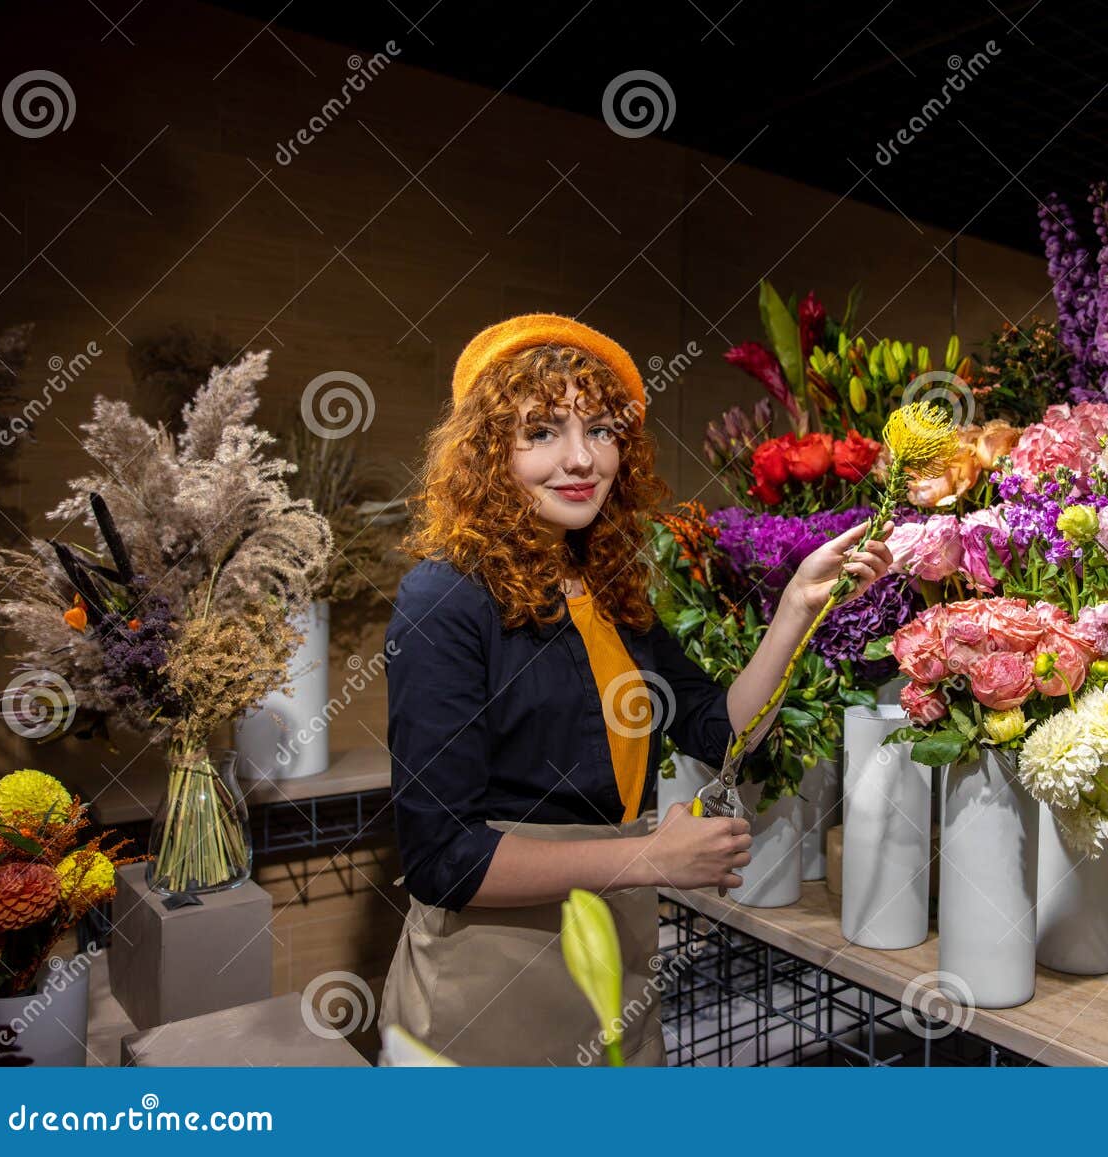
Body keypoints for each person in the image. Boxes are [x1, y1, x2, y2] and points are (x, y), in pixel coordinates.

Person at [377, 314, 893, 1065]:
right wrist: (648, 858)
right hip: (492, 980)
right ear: (490, 453)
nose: (581, 458)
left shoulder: (608, 590)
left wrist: (795, 609)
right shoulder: (445, 597)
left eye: (601, 429)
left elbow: (721, 733)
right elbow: (443, 859)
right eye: (543, 432)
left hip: (614, 950)